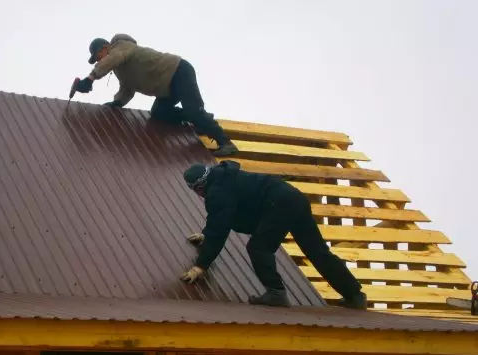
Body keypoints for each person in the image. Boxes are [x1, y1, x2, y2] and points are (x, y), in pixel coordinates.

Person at [179, 160, 368, 309]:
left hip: (278, 204)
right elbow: (219, 223)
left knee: (258, 247)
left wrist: (200, 266)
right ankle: (354, 295)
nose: (200, 194)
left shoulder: (217, 192)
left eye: (197, 190)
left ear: (200, 186)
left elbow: (219, 229)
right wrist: (206, 236)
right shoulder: (225, 176)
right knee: (317, 251)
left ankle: (276, 292)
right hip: (294, 198)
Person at [72, 34, 239, 157]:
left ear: (104, 48)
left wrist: (91, 78)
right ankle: (199, 118)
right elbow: (127, 89)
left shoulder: (121, 47)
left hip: (177, 71)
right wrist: (117, 103)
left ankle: (225, 143)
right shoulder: (120, 69)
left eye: (97, 57)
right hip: (166, 87)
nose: (98, 60)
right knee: (159, 113)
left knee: (194, 110)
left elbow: (113, 59)